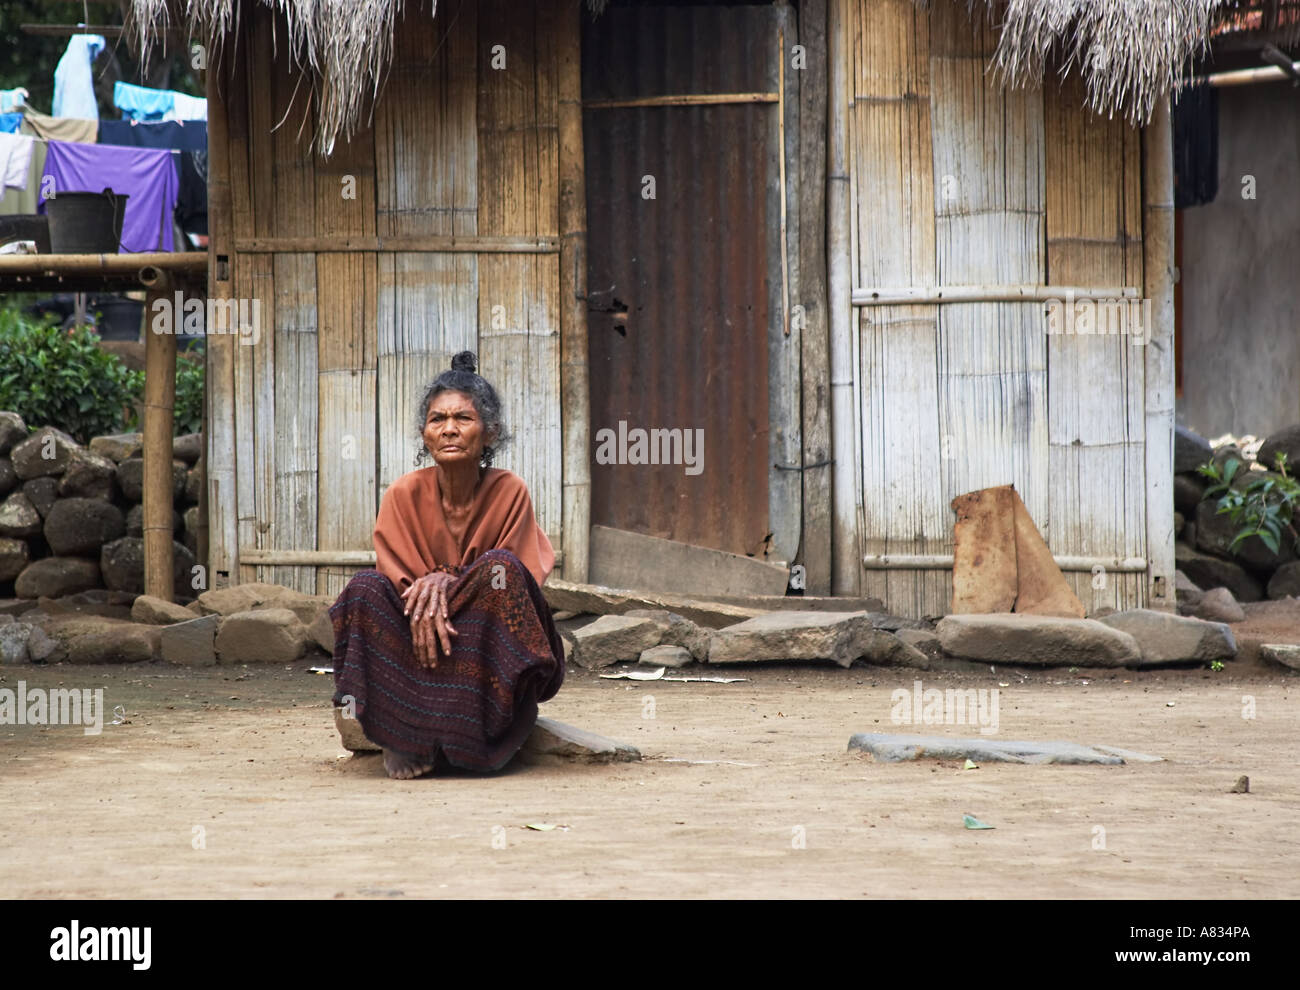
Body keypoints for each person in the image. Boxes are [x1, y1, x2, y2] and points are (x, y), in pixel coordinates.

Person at [329, 351, 564, 779]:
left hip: (481, 644)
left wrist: (443, 581)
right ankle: (399, 734)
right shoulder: (401, 495)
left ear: (489, 432)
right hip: (420, 639)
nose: (450, 429)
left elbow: (516, 582)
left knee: (500, 568)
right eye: (438, 420)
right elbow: (399, 588)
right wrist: (427, 595)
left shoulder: (510, 491)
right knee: (364, 588)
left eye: (463, 419)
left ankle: (487, 729)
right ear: (424, 434)